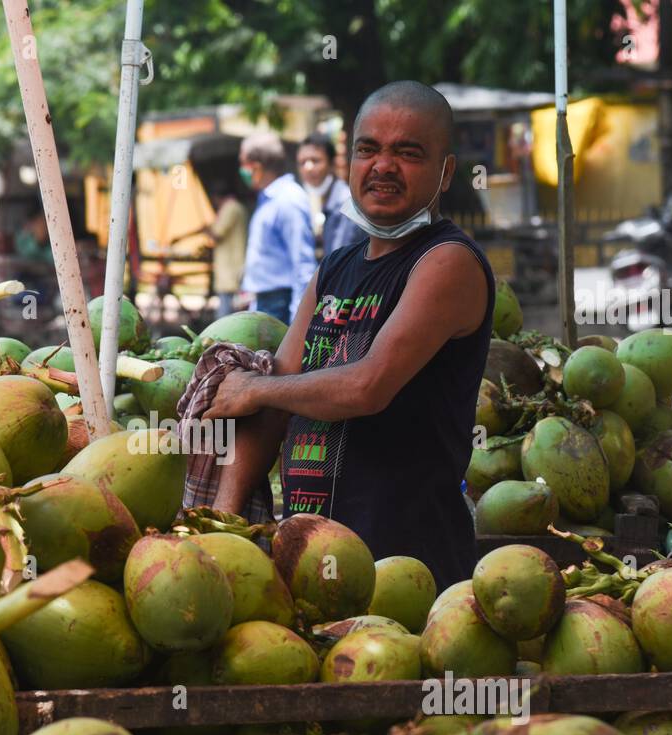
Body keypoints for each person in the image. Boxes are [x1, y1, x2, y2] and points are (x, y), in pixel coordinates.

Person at [203, 81, 495, 591]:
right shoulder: (335, 268)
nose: (383, 166)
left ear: (446, 172)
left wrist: (252, 386)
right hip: (308, 560)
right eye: (369, 149)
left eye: (408, 152)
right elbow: (273, 405)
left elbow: (367, 386)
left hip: (405, 570)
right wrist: (223, 529)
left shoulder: (447, 262)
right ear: (350, 160)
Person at [237, 133, 317, 324]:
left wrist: (298, 320)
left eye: (243, 164)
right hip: (266, 301)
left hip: (282, 302)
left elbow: (303, 264)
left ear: (256, 167)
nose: (242, 171)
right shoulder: (269, 198)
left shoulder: (288, 199)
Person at [297, 132, 365, 257]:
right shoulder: (324, 200)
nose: (308, 167)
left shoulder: (344, 205)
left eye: (315, 160)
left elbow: (337, 263)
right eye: (302, 162)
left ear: (332, 164)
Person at [204, 184, 248, 318]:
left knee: (225, 311)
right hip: (236, 263)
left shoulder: (230, 208)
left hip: (229, 265)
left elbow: (217, 233)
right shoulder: (238, 207)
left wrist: (206, 230)